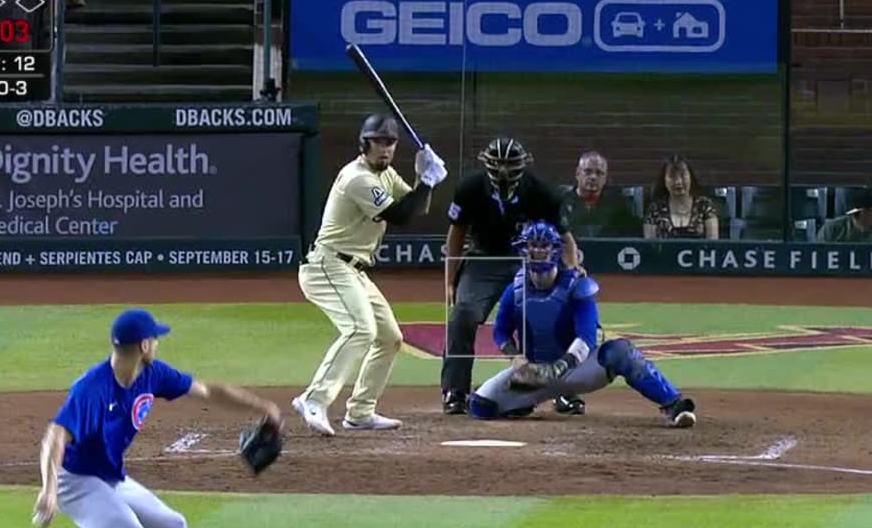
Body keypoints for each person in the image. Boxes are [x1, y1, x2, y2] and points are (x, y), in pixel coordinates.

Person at [33, 308, 280, 528]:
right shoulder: (93, 388)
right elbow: (56, 435)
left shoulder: (152, 374)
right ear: (144, 345)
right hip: (74, 481)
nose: (158, 343)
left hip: (109, 475)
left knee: (171, 524)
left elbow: (207, 391)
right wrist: (49, 490)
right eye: (155, 338)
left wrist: (262, 407)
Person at [291, 114, 448, 436]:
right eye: (379, 142)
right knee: (360, 329)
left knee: (389, 338)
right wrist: (429, 181)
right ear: (364, 144)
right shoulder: (357, 178)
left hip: (354, 271)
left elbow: (415, 206)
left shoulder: (385, 174)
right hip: (327, 266)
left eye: (390, 142)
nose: (385, 148)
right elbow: (398, 215)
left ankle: (360, 412)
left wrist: (422, 179)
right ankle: (313, 398)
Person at [467, 222, 696, 427]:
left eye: (544, 246)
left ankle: (673, 404)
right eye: (532, 246)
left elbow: (586, 337)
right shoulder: (514, 290)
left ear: (555, 250)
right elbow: (501, 331)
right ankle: (524, 403)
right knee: (481, 406)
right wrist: (517, 360)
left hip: (578, 369)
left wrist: (560, 366)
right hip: (535, 372)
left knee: (620, 352)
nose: (538, 252)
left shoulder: (577, 286)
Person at [443, 136, 583, 417]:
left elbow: (564, 237)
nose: (504, 171)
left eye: (510, 164)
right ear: (486, 163)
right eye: (498, 164)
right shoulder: (470, 188)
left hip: (529, 260)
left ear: (524, 163)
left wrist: (571, 269)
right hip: (483, 260)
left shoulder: (541, 191)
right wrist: (450, 280)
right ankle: (455, 391)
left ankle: (563, 390)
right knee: (463, 314)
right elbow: (456, 232)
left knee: (553, 313)